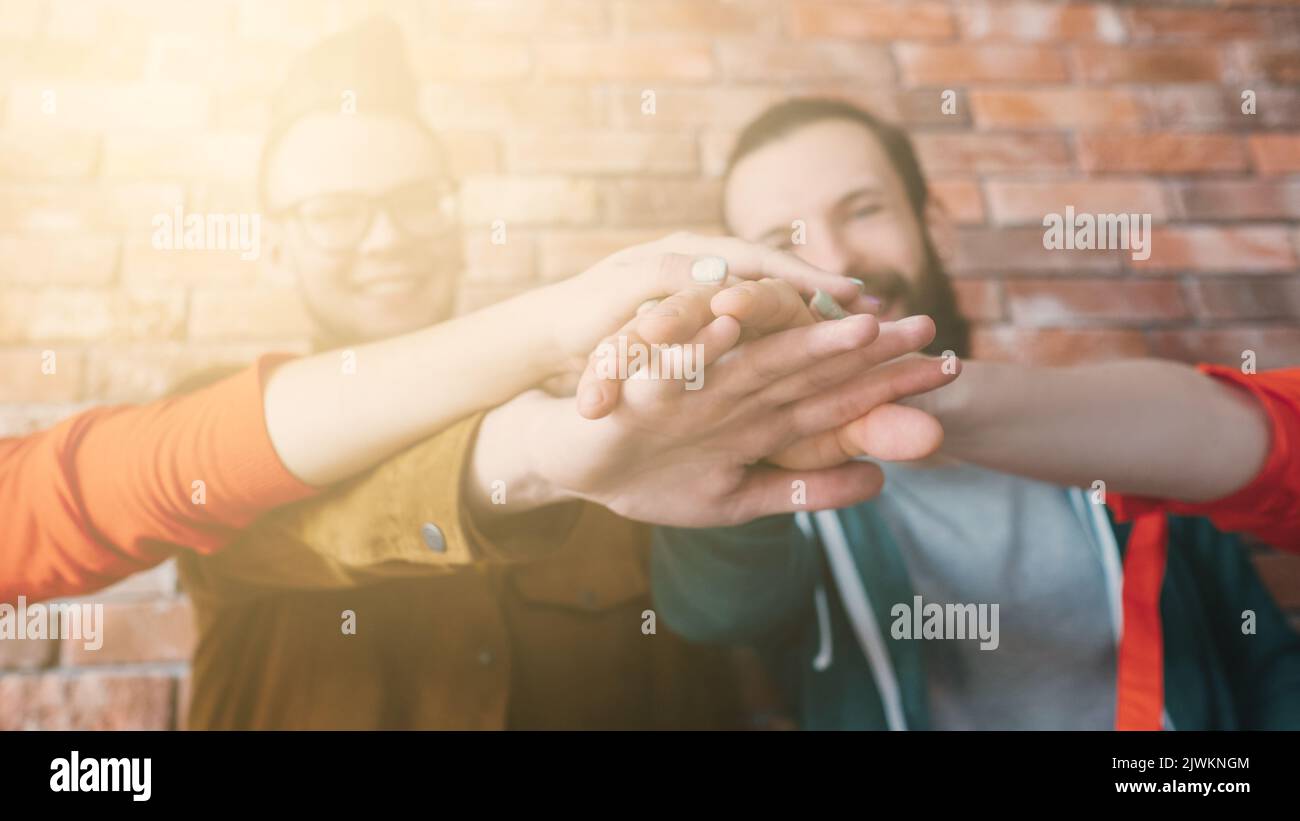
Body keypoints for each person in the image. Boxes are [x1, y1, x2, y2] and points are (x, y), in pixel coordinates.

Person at [0, 21, 959, 730]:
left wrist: (739, 453)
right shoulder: (217, 420)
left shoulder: (609, 384)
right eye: (335, 211)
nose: (386, 237)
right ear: (277, 245)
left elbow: (716, 618)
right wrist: (544, 446)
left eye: (416, 199)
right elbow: (327, 513)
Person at [651, 97, 1300, 730]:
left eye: (864, 209)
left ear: (934, 227)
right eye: (783, 240)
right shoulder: (784, 500)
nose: (836, 260)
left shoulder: (1117, 442)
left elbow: (1270, 665)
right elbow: (715, 611)